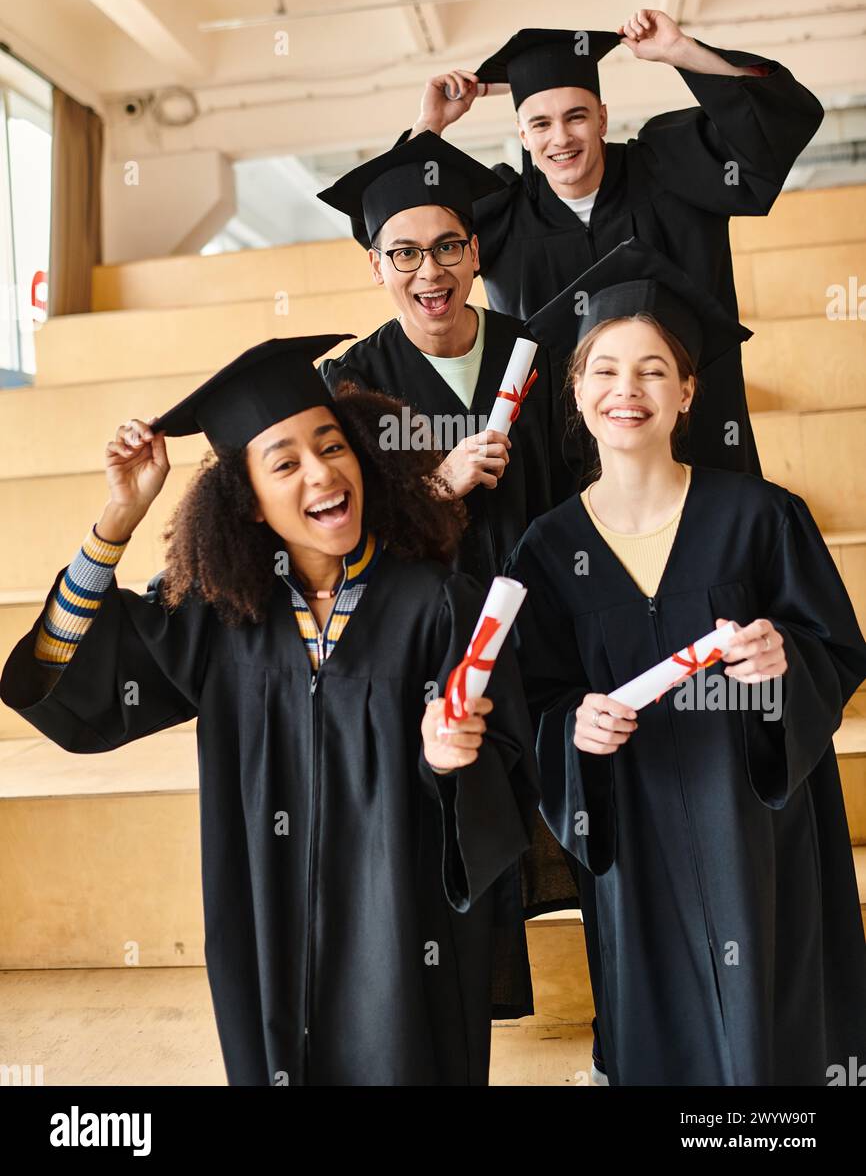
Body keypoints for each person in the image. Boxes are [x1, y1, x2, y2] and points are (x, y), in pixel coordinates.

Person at [1, 334, 539, 1087]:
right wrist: (117, 519)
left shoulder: (439, 606)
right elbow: (65, 677)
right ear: (248, 506)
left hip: (406, 935)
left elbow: (503, 780)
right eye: (284, 463)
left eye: (332, 446)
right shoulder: (219, 619)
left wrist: (450, 761)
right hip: (265, 929)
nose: (322, 472)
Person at [504, 242, 866, 1085]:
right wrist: (573, 726)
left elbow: (836, 653)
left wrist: (785, 663)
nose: (626, 391)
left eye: (654, 371)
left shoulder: (761, 519)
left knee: (769, 1038)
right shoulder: (549, 551)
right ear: (578, 392)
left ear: (688, 393)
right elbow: (539, 699)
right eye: (604, 370)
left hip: (753, 826)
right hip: (635, 832)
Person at [395, 10, 825, 478]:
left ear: (601, 119)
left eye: (576, 117)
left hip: (695, 438)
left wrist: (681, 52)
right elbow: (399, 220)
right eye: (540, 124)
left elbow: (774, 129)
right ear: (522, 133)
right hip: (566, 456)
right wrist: (430, 125)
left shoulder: (670, 169)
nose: (560, 138)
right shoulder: (499, 212)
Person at [317, 131, 577, 590]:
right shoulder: (351, 384)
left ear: (474, 253)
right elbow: (341, 521)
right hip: (431, 630)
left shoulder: (538, 352)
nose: (431, 270)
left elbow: (578, 484)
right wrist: (437, 486)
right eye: (405, 253)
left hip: (548, 615)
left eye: (447, 246)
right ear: (377, 267)